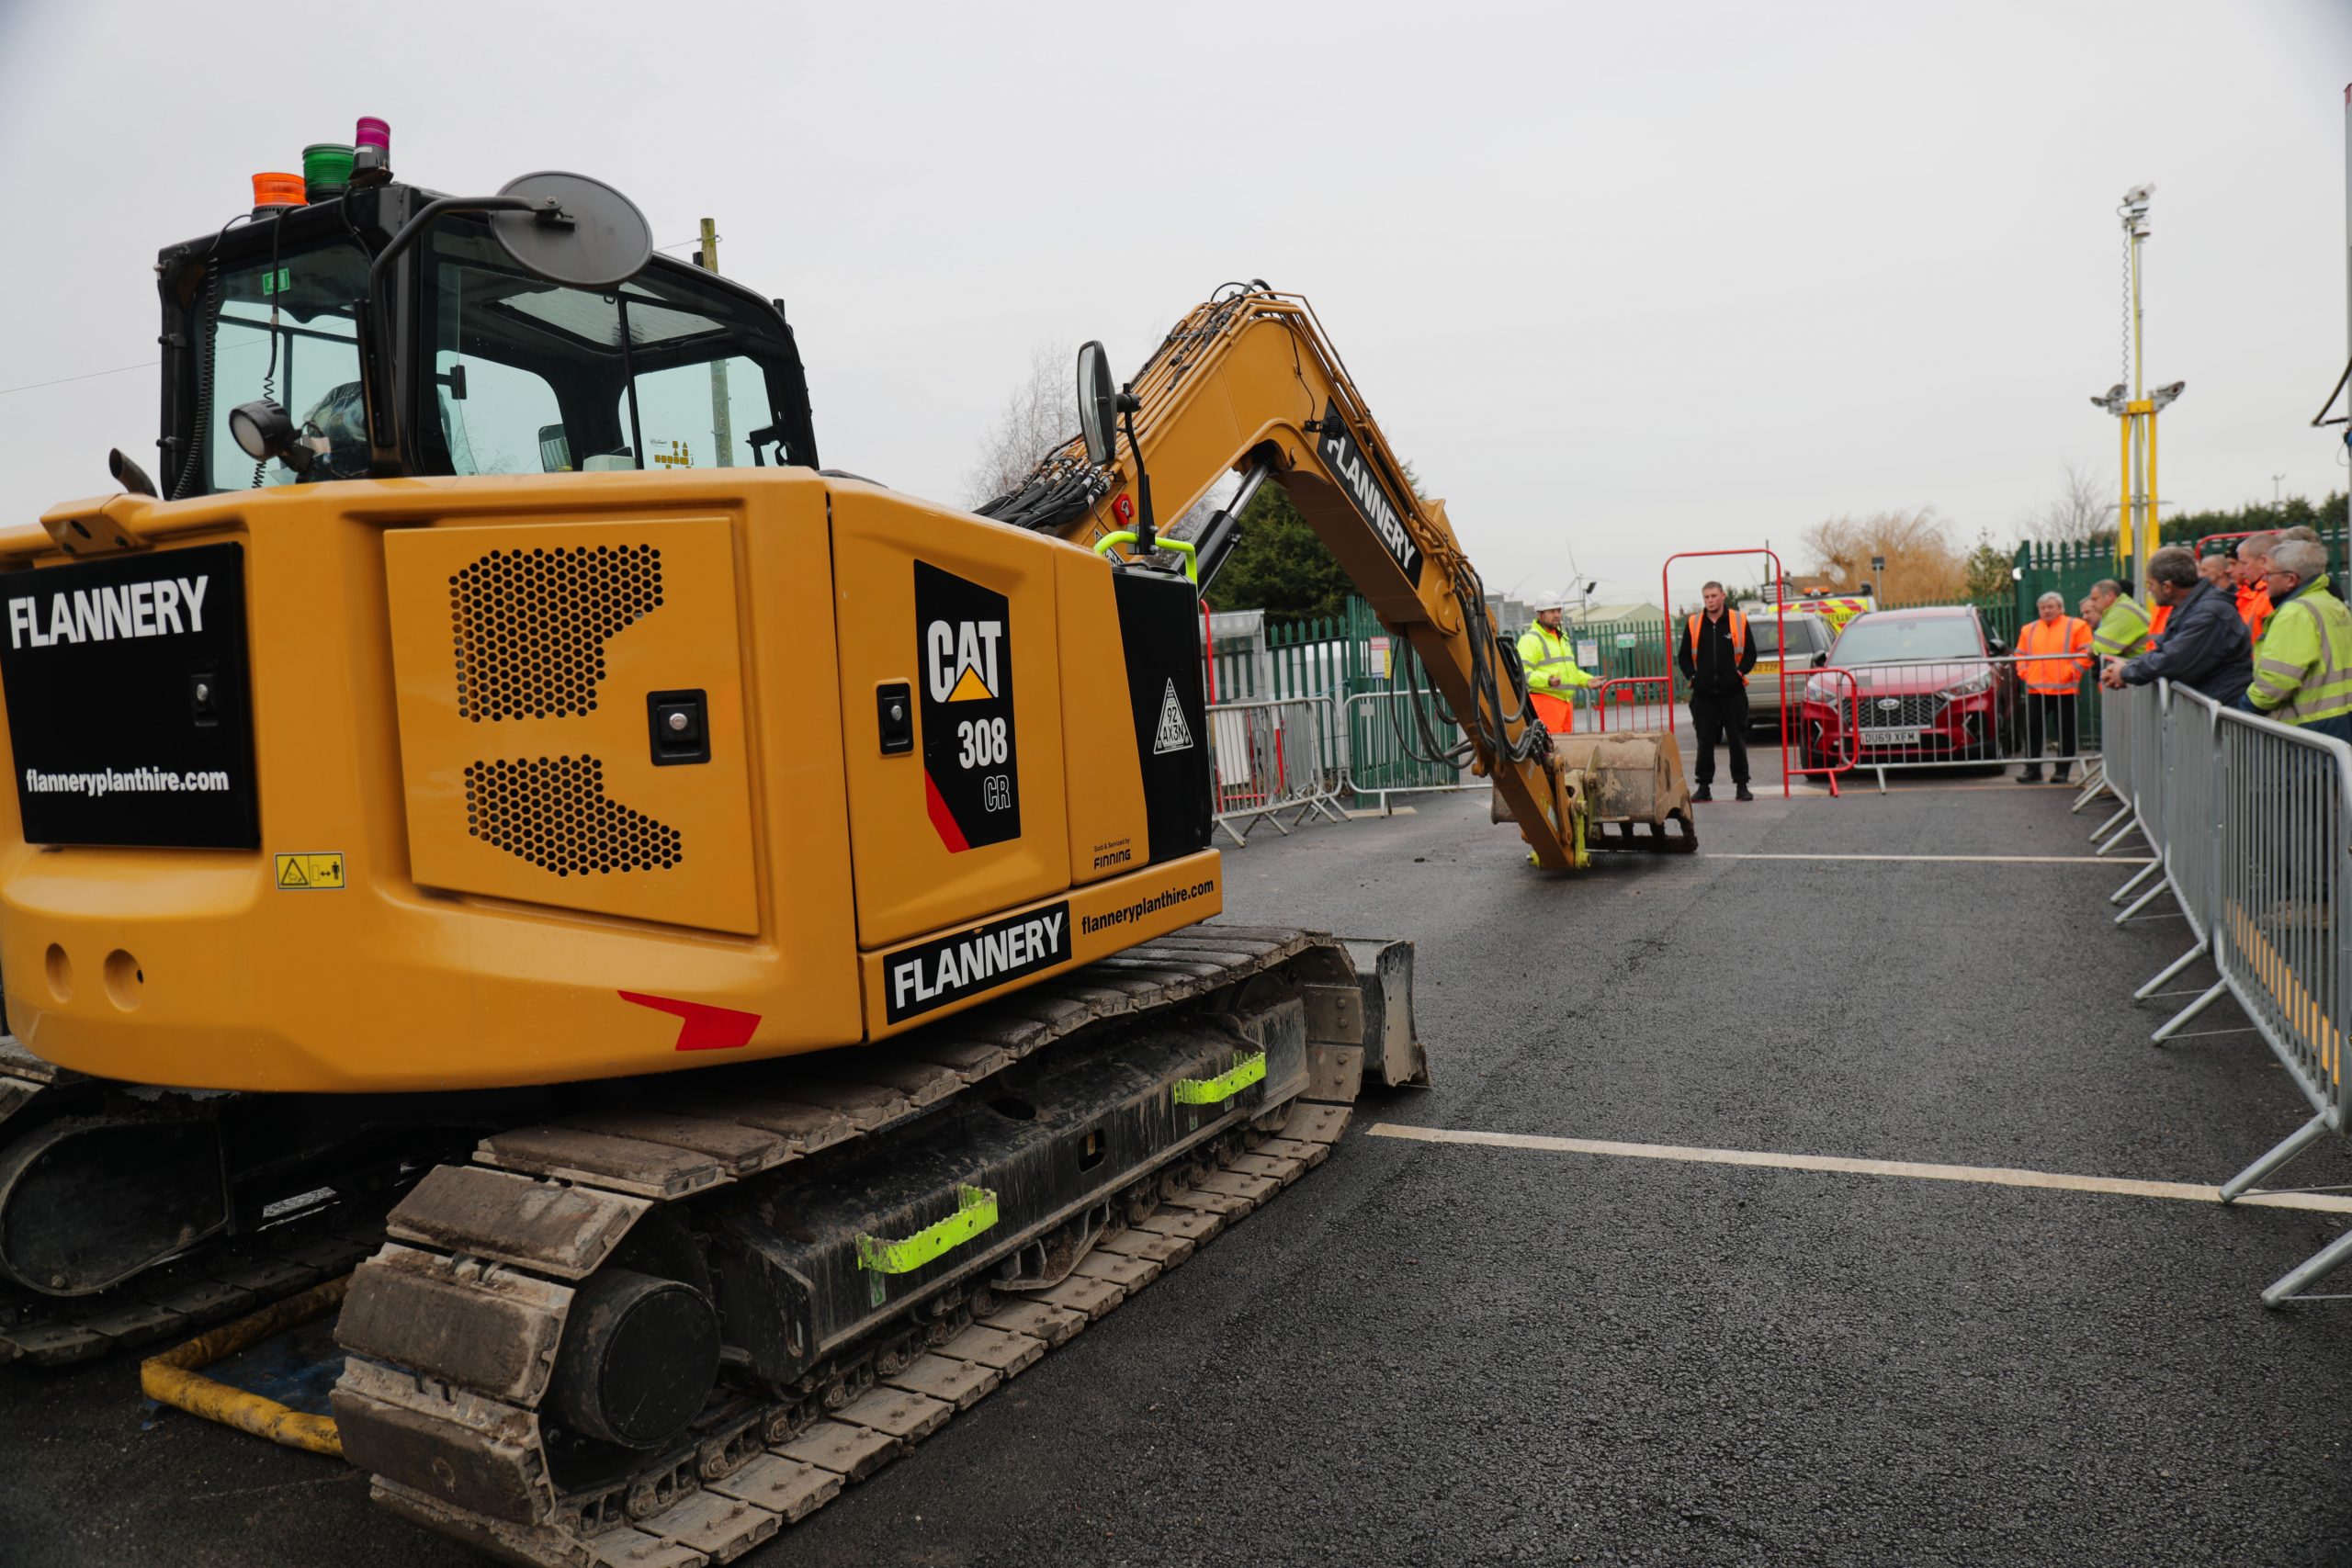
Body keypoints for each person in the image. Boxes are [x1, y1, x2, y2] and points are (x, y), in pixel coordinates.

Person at [2100, 545, 2252, 705]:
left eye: (2150, 584)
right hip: (2212, 703)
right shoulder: (2194, 607)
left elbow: (2174, 659)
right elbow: (2163, 650)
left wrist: (2125, 672)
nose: (2149, 590)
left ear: (2167, 587)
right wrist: (2129, 666)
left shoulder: (2208, 613)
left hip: (2224, 707)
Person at [2239, 539, 2352, 743]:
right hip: (2339, 716)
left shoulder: (2295, 611)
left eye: (2269, 574)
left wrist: (2246, 706)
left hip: (2308, 723)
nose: (2265, 580)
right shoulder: (2331, 603)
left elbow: (2277, 679)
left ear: (2291, 579)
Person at [1677, 581, 1758, 802]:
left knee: (1737, 740)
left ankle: (1742, 785)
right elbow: (1683, 656)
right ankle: (1704, 787)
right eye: (1706, 597)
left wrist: (1739, 673)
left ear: (1722, 596)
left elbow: (1751, 652)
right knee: (1704, 741)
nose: (1710, 601)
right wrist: (1693, 676)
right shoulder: (1694, 623)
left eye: (1714, 596)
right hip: (1703, 695)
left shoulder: (1738, 620)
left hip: (1733, 693)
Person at [2014, 592, 2092, 784]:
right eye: (2043, 607)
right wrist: (2025, 673)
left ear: (2060, 608)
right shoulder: (2028, 629)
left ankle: (2062, 770)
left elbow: (2087, 653)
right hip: (2036, 689)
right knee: (2032, 731)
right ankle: (2032, 769)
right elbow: (2019, 655)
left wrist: (2069, 672)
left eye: (2051, 607)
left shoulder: (2076, 626)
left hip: (2065, 689)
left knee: (2065, 731)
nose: (2047, 610)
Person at [1515, 601, 1592, 736]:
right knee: (1550, 749)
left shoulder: (1561, 638)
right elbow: (1522, 674)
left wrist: (1587, 680)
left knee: (1564, 749)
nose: (1557, 615)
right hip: (1545, 703)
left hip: (1566, 704)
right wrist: (1547, 680)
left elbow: (1570, 672)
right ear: (1540, 615)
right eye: (1552, 611)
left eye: (1558, 611)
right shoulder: (1530, 640)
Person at [2086, 578, 2151, 661]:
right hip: (2148, 661)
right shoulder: (2121, 608)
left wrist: (2091, 650)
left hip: (2148, 664)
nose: (2092, 605)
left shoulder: (2121, 612)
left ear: (2109, 596)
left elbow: (2102, 646)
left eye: (2095, 599)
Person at [2232, 532, 2278, 644]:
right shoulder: (2249, 591)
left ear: (2263, 561)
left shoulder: (2271, 595)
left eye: (2244, 563)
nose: (2241, 570)